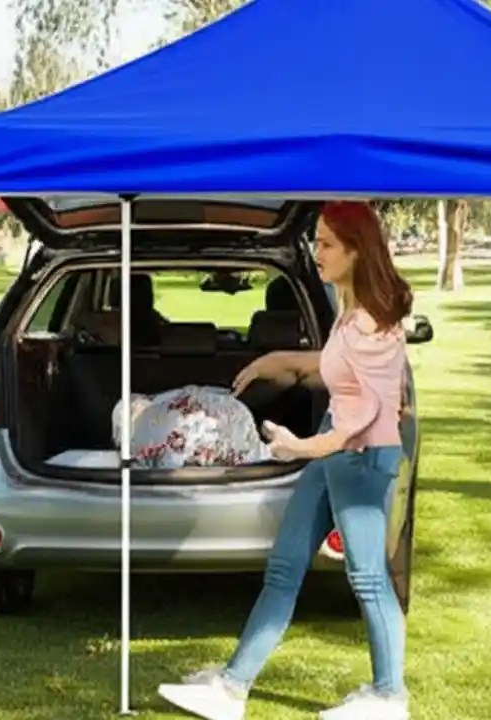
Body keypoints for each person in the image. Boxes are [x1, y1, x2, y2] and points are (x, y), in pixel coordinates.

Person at [157, 201, 415, 720]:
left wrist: (296, 447)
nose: (315, 252)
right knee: (284, 568)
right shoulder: (349, 306)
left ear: (357, 251)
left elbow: (359, 424)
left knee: (368, 578)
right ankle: (230, 689)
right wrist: (281, 361)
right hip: (335, 451)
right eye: (315, 240)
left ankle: (389, 697)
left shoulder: (369, 323)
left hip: (360, 457)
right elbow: (337, 370)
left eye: (325, 245)